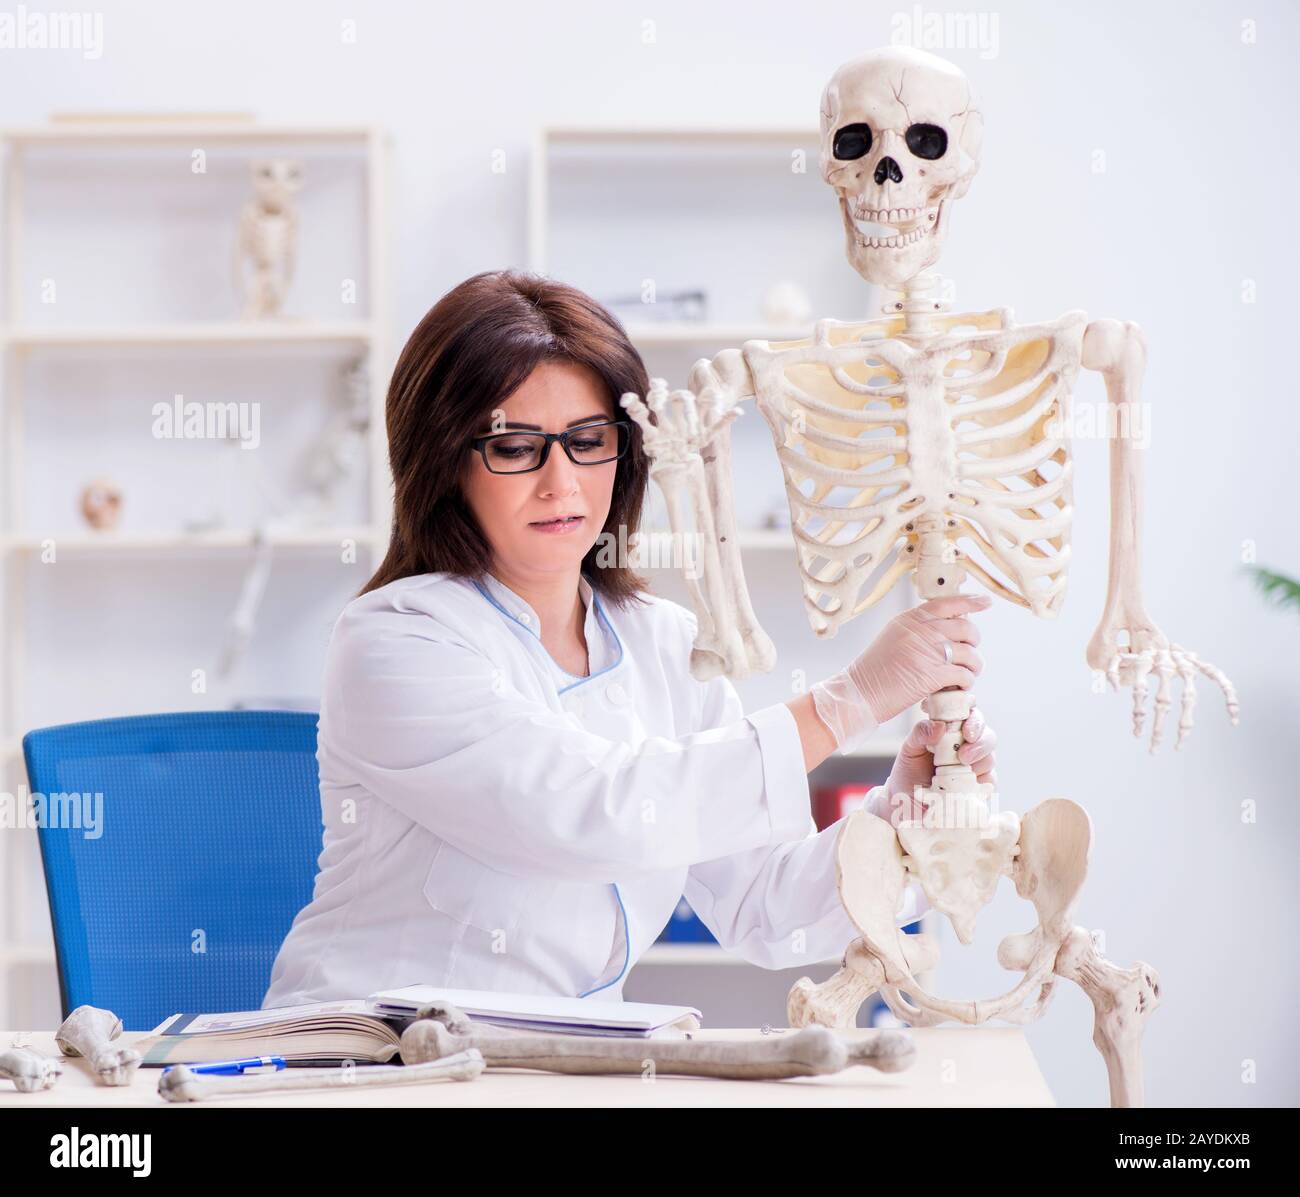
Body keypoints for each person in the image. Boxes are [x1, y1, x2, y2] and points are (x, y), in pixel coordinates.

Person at [261, 269, 994, 1007]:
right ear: (446, 462)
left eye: (587, 441)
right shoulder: (394, 643)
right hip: (373, 1065)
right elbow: (590, 810)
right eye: (515, 447)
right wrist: (850, 700)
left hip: (551, 1068)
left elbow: (768, 910)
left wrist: (906, 819)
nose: (561, 483)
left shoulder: (666, 644)